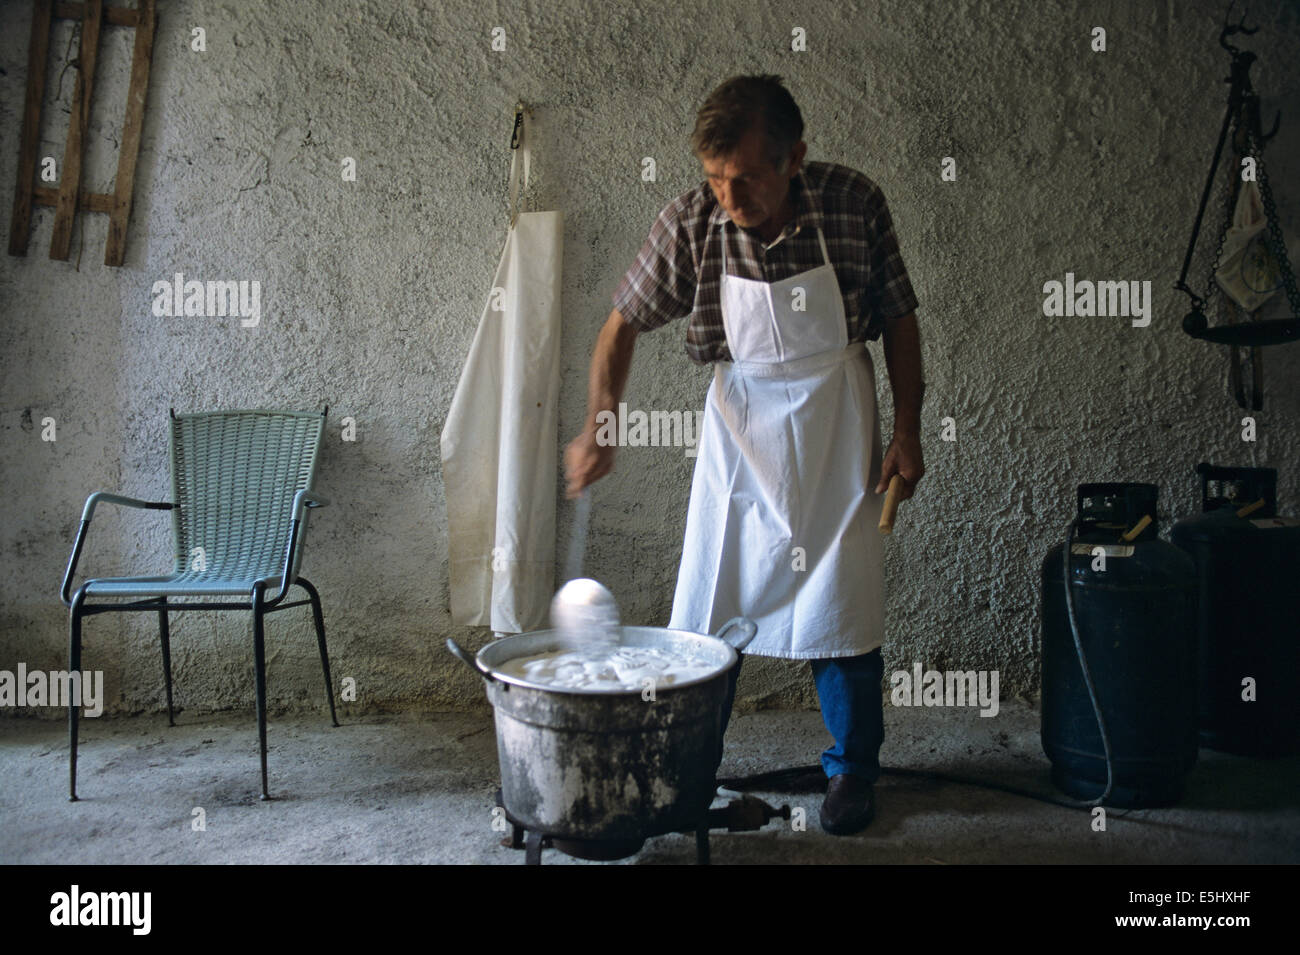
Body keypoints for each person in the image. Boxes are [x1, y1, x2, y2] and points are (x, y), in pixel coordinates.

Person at [564, 74, 925, 835]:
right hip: (742, 427)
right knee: (711, 608)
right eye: (715, 179)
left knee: (844, 601)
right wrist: (602, 422)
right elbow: (621, 324)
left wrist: (907, 430)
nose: (730, 196)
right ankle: (689, 772)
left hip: (839, 420)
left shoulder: (854, 202)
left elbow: (898, 316)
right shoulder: (692, 221)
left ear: (795, 157)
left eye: (748, 179)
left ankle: (854, 770)